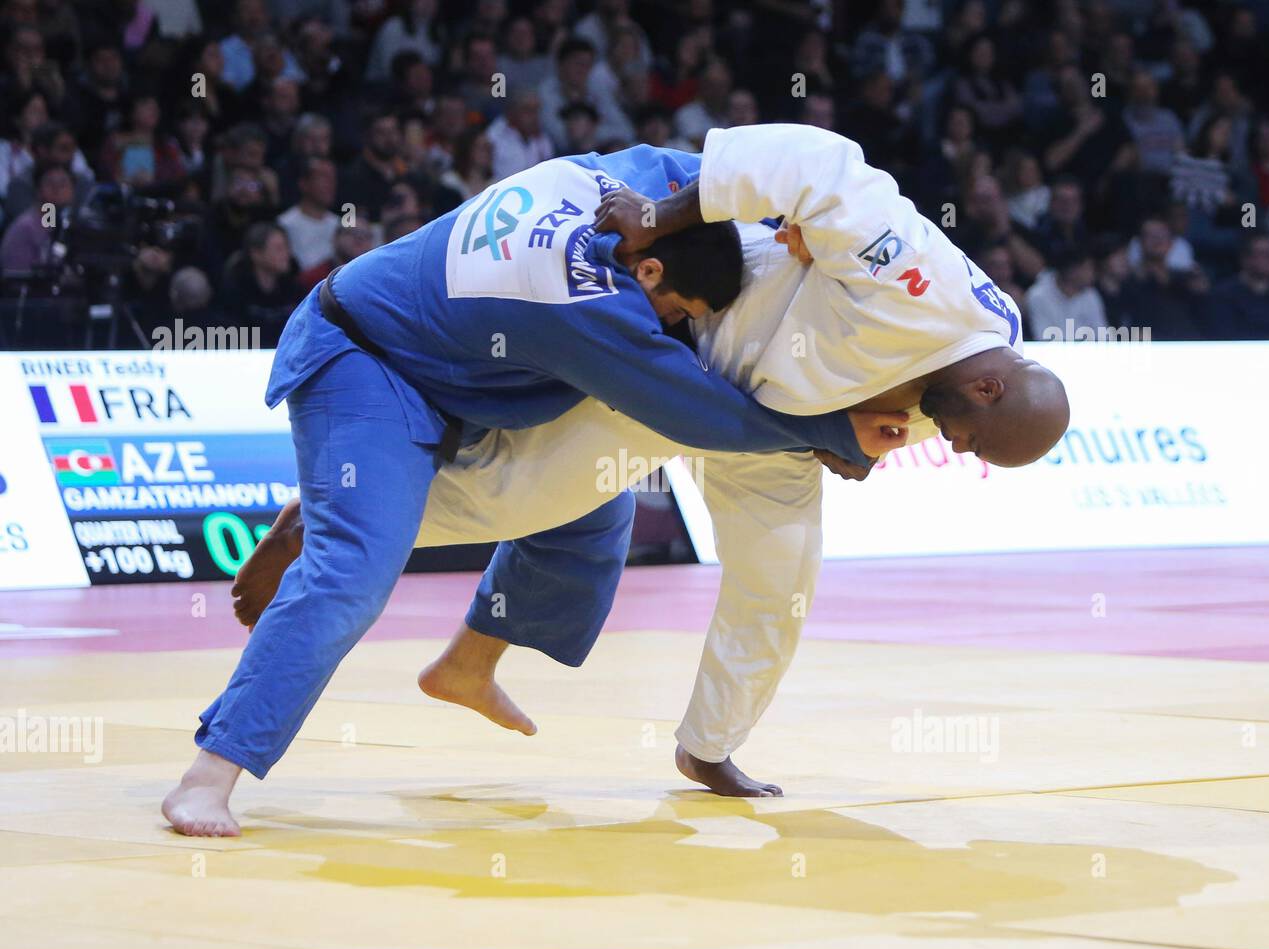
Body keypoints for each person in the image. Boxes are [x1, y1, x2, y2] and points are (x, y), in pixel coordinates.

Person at [229, 126, 1070, 806]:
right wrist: (665, 217)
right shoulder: (920, 284)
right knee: (524, 498)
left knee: (782, 581)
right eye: (969, 440)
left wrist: (851, 449)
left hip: (775, 424)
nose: (956, 450)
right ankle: (336, 516)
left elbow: (868, 440)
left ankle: (708, 748)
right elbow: (821, 164)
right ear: (989, 385)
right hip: (694, 350)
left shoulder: (979, 387)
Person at [161, 146, 890, 836]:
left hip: (461, 369)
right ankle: (209, 772)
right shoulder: (585, 301)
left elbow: (717, 173)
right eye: (680, 312)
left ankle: (466, 662)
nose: (681, 328)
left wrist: (791, 221)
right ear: (649, 275)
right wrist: (830, 432)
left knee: (595, 497)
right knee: (353, 570)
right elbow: (698, 414)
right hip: (364, 361)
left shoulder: (636, 185)